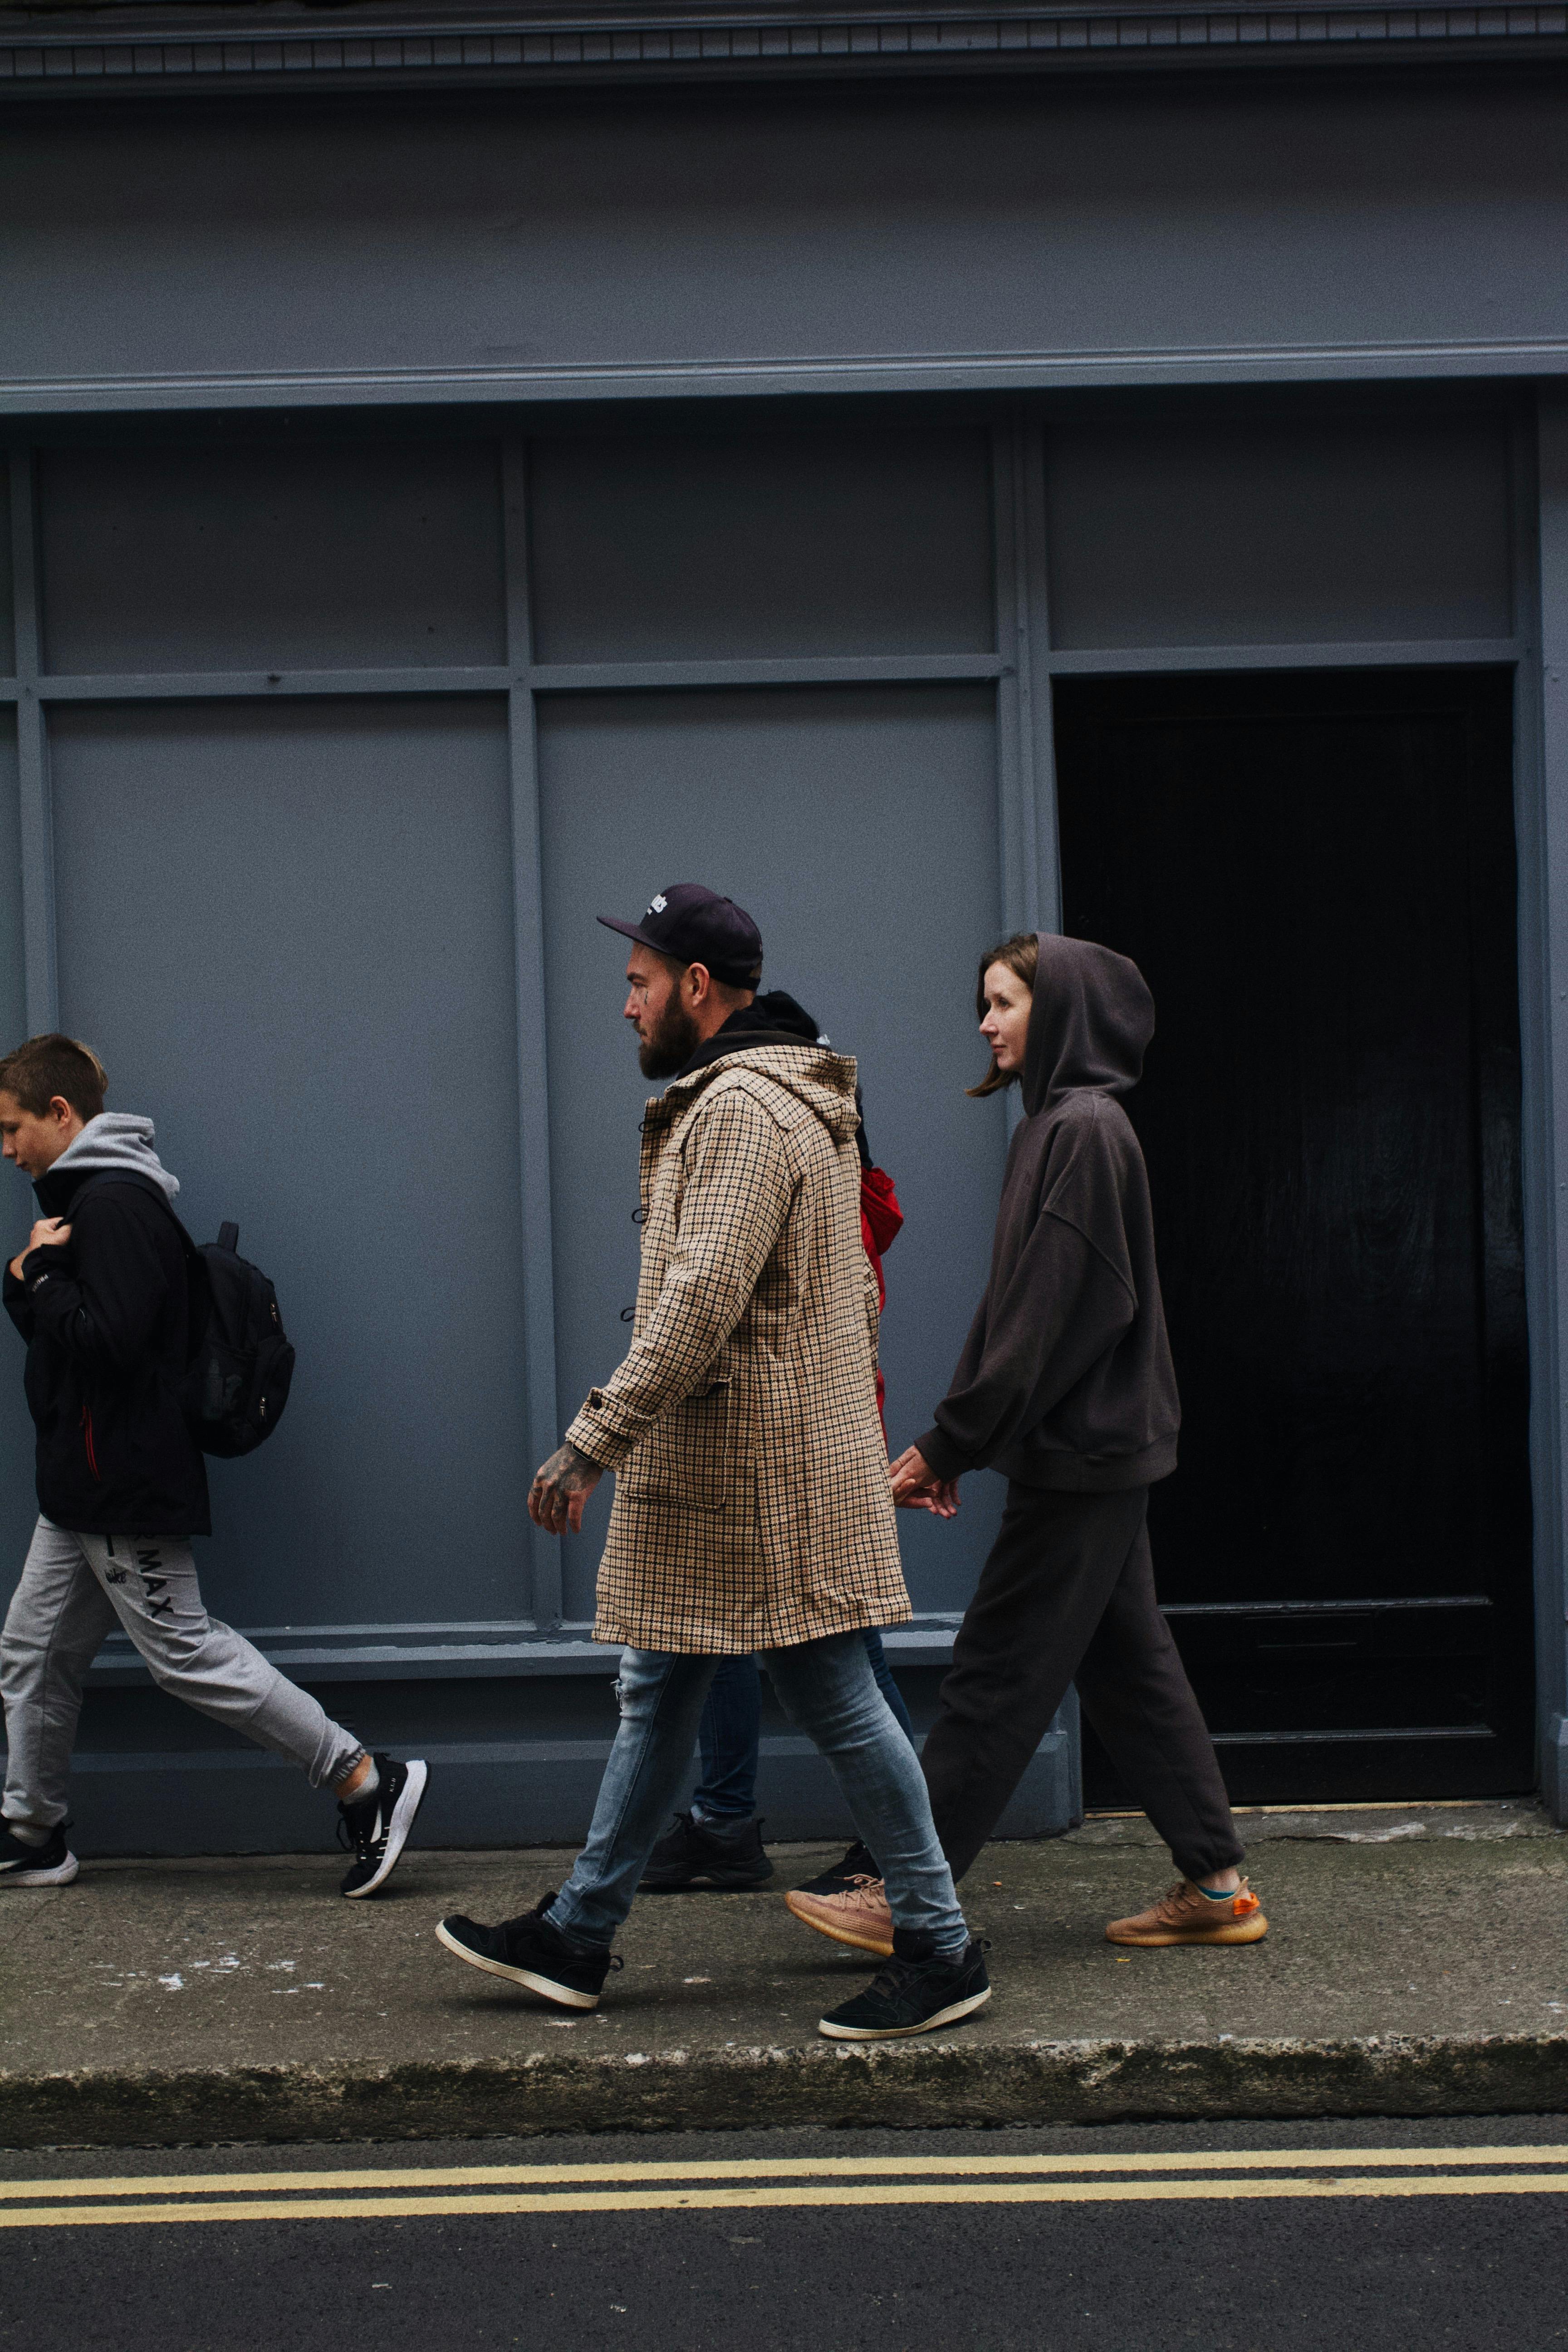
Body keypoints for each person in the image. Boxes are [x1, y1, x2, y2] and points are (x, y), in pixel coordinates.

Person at [436, 884, 990, 2039]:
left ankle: (941, 1945)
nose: (625, 1006)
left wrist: (591, 1442)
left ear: (696, 986)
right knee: (662, 1689)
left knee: (834, 1693)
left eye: (639, 983)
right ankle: (581, 1932)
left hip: (757, 1474)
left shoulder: (740, 1105)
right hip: (743, 1462)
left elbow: (699, 1300)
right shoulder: (788, 1094)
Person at [786, 933, 1267, 1959]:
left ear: (1064, 1012)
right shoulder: (1057, 1127)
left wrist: (954, 1441)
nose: (985, 1023)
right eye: (986, 1003)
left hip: (1082, 1451)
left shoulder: (1083, 1130)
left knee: (998, 1669)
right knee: (1128, 1663)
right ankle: (1220, 1888)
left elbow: (1053, 1317)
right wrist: (969, 1436)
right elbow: (1019, 1309)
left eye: (1004, 1002)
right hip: (1087, 1446)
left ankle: (907, 1892)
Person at [0, 1033, 427, 1897]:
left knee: (184, 1652)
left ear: (61, 1113)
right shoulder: (93, 1201)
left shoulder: (116, 1206)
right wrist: (28, 1282)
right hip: (83, 1482)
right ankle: (32, 1831)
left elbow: (114, 1345)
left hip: (119, 1482)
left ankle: (363, 1778)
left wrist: (39, 1276)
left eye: (12, 1128)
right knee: (33, 1653)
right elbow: (68, 1347)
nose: (7, 1149)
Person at [639, 1053, 914, 1898]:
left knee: (846, 1654)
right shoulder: (836, 1181)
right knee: (725, 1638)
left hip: (804, 1460)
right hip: (771, 1451)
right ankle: (727, 1823)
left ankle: (902, 1850)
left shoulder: (817, 1189)